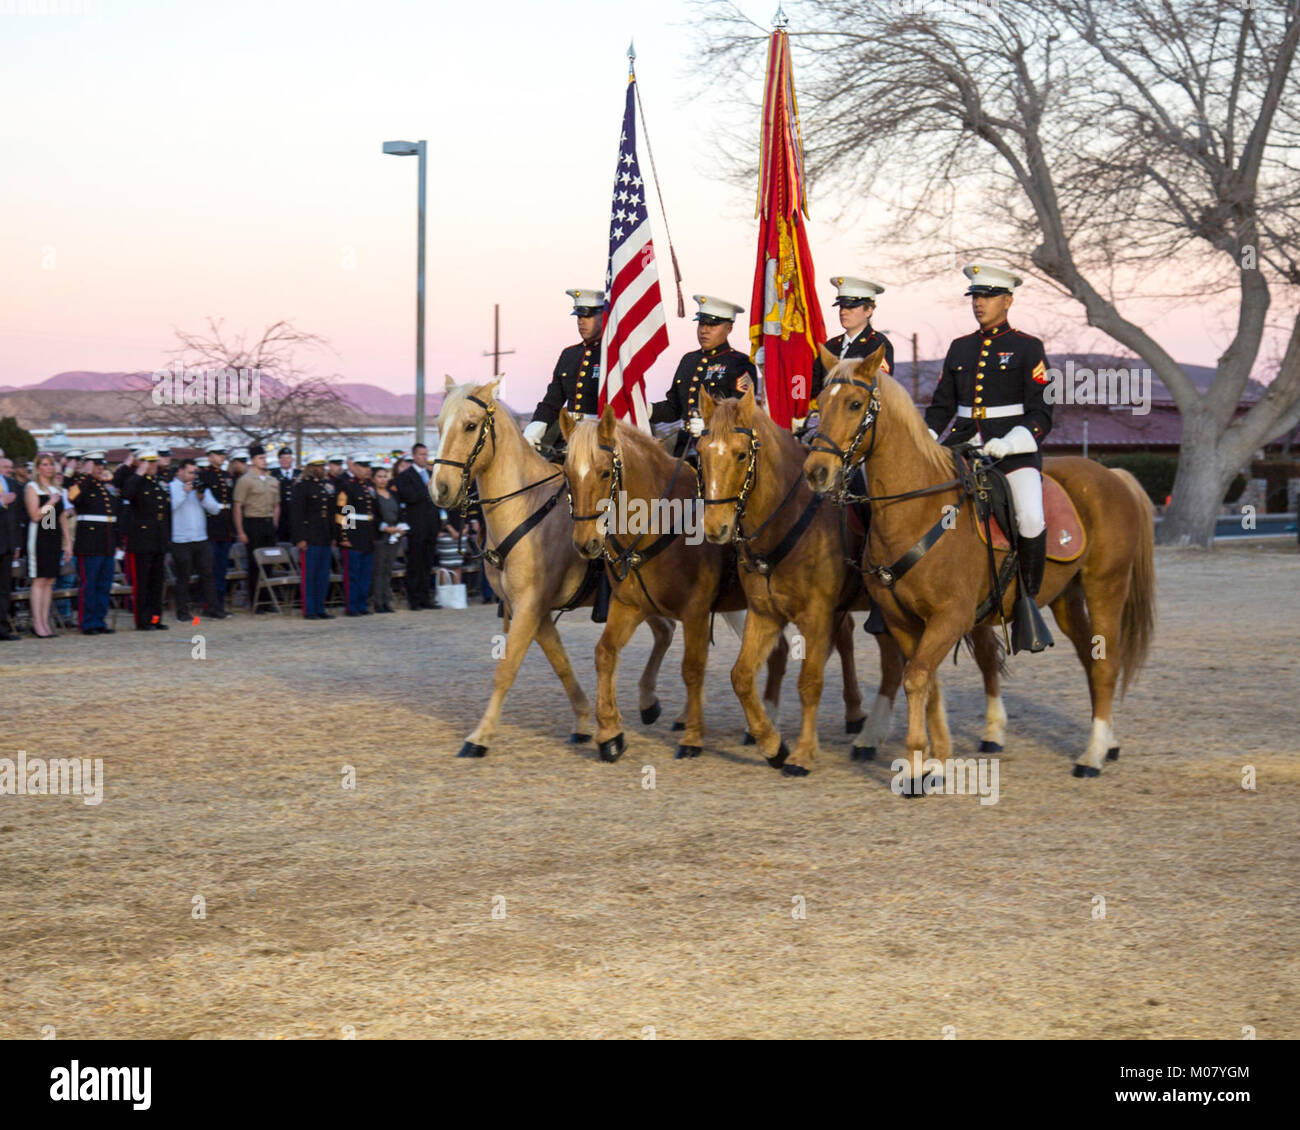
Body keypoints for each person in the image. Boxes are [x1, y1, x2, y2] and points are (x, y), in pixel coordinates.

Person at [925, 262, 1054, 653]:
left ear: (1008, 300)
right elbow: (942, 406)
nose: (979, 303)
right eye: (975, 297)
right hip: (961, 445)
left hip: (1011, 452)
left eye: (988, 296)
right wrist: (926, 438)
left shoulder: (1028, 347)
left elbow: (1042, 413)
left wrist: (1013, 442)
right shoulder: (959, 347)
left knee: (1030, 515)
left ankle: (1027, 602)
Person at [650, 294, 757, 456]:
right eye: (701, 324)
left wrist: (710, 425)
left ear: (729, 328)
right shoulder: (689, 360)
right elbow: (674, 408)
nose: (704, 330)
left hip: (721, 453)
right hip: (684, 451)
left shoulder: (739, 363)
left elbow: (742, 412)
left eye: (712, 325)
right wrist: (648, 409)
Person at [523, 288, 606, 452]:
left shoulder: (611, 355)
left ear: (603, 316)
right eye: (579, 316)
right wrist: (531, 434)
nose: (581, 321)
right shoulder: (569, 355)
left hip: (598, 440)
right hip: (568, 437)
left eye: (587, 316)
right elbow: (551, 403)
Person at [808, 276, 895, 408]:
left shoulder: (877, 344)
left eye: (850, 308)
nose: (843, 312)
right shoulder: (831, 346)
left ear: (868, 311)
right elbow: (813, 385)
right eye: (841, 307)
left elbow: (879, 388)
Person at [67, 451, 119, 635]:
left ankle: (99, 620)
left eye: (101, 465)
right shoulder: (79, 483)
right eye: (96, 465)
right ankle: (87, 622)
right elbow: (74, 498)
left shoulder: (104, 486)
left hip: (106, 541)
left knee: (104, 584)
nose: (100, 468)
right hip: (89, 542)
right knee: (89, 584)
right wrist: (86, 476)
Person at [120, 448, 172, 630]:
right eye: (149, 462)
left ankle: (155, 619)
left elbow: (165, 512)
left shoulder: (157, 483)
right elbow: (126, 494)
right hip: (142, 538)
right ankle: (142, 620)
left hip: (158, 538)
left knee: (157, 582)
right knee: (142, 583)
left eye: (154, 462)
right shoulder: (135, 481)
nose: (153, 465)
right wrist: (139, 472)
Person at [23, 453, 72, 638]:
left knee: (50, 580)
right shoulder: (32, 487)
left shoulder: (57, 488)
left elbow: (61, 518)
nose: (49, 468)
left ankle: (45, 621)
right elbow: (35, 515)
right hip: (39, 537)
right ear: (38, 468)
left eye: (51, 465)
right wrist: (50, 502)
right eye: (45, 464)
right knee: (39, 580)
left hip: (53, 536)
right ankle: (37, 623)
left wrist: (67, 543)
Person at [168, 458, 224, 622]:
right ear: (180, 471)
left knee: (207, 574)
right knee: (183, 577)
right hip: (180, 539)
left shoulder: (200, 487)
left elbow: (215, 509)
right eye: (190, 472)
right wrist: (184, 493)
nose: (193, 476)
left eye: (195, 473)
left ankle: (212, 608)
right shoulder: (171, 488)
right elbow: (170, 508)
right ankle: (183, 612)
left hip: (201, 538)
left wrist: (202, 497)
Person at [232, 443, 281, 612]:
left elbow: (277, 505)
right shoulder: (245, 480)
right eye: (260, 458)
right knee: (254, 564)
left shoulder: (272, 480)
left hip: (268, 523)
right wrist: (241, 531)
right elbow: (238, 506)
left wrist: (274, 523)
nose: (264, 461)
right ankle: (255, 601)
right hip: (253, 523)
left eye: (265, 458)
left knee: (269, 563)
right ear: (253, 460)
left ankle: (267, 601)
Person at [291, 452, 336, 621]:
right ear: (310, 468)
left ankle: (320, 607)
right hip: (310, 536)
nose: (320, 469)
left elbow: (331, 512)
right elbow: (296, 515)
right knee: (310, 575)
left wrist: (334, 535)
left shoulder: (327, 485)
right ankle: (309, 609)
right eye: (317, 466)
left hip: (324, 535)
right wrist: (300, 538)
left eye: (322, 466)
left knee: (323, 575)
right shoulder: (302, 486)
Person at [394, 442, 440, 610]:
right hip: (415, 526)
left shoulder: (430, 473)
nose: (424, 458)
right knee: (415, 564)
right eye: (421, 455)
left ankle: (425, 597)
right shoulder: (405, 476)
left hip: (430, 526)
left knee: (428, 563)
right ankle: (413, 599)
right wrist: (425, 488)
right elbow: (409, 497)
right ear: (414, 456)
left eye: (426, 455)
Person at [336, 452, 376, 617]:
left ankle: (362, 604)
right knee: (353, 573)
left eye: (368, 467)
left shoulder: (368, 487)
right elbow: (344, 513)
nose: (367, 470)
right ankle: (352, 606)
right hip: (354, 533)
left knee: (365, 573)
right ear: (356, 468)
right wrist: (345, 537)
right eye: (364, 467)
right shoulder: (348, 486)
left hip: (367, 533)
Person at [198, 443, 235, 616]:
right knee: (211, 569)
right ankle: (210, 606)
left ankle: (220, 604)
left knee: (222, 568)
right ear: (210, 456)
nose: (222, 457)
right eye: (218, 454)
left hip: (226, 524)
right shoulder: (205, 475)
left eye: (223, 454)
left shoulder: (227, 475)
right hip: (212, 525)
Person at [370, 465, 404, 613]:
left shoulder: (393, 494)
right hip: (380, 535)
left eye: (385, 476)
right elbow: (373, 516)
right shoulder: (372, 495)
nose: (383, 480)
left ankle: (386, 601)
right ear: (373, 479)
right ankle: (378, 602)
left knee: (388, 569)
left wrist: (401, 527)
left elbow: (401, 511)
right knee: (379, 570)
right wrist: (384, 527)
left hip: (394, 535)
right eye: (379, 476)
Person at [0, 450, 20, 640]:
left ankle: (3, 628)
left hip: (6, 545)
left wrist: (16, 545)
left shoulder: (11, 484)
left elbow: (16, 518)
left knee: (5, 589)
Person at [270, 446, 296, 542]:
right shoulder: (272, 475)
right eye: (282, 458)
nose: (285, 460)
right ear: (279, 460)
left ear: (292, 459)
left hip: (295, 517)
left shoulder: (299, 474)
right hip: (279, 516)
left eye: (288, 458)